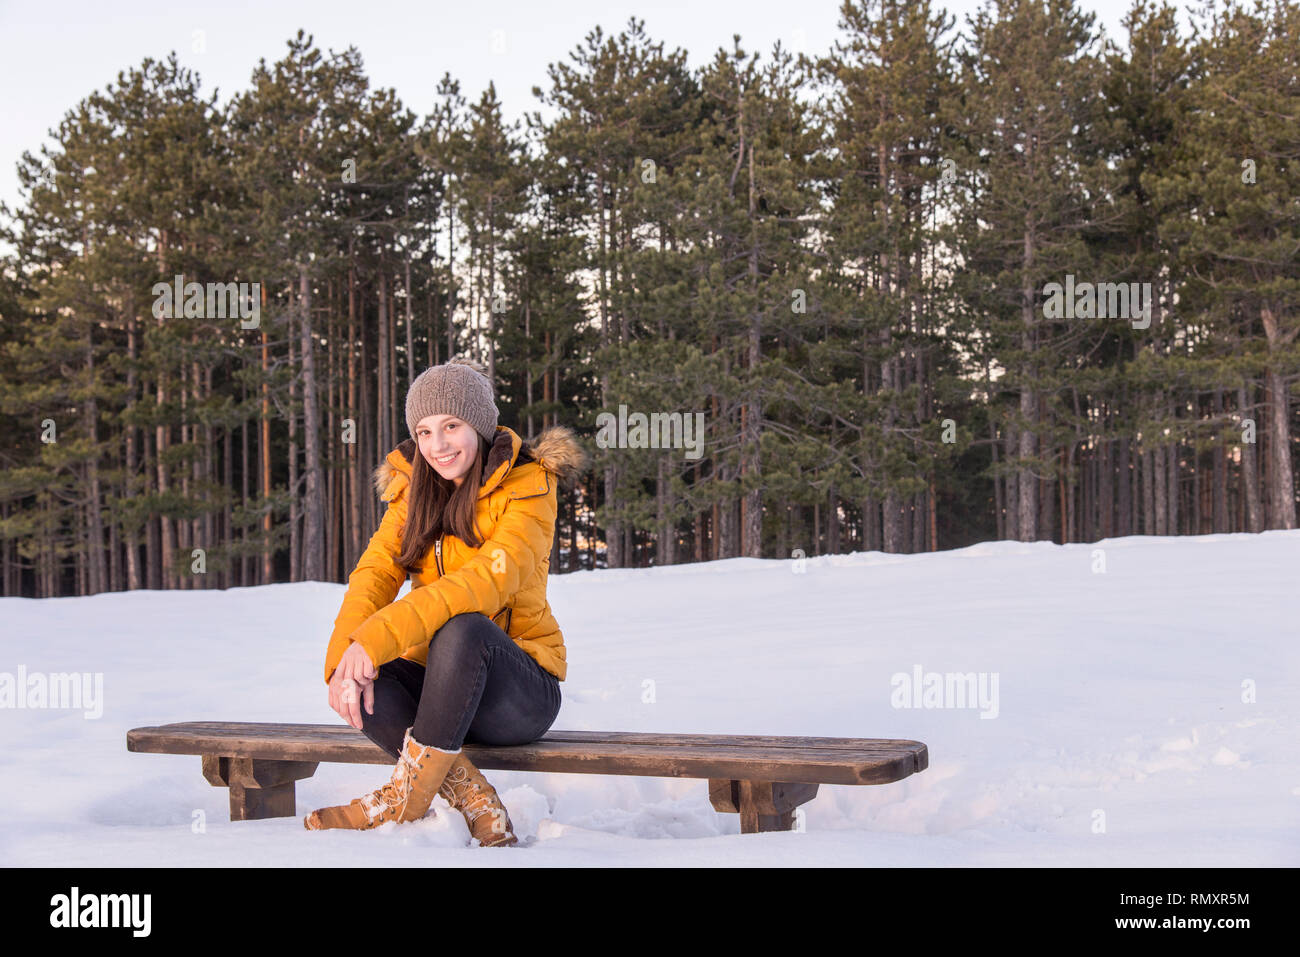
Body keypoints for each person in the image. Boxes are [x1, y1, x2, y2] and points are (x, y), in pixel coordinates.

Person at [304, 356, 587, 845]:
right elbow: (374, 575)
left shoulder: (529, 487)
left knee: (463, 627)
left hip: (516, 691)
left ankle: (403, 801)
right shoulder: (412, 492)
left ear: (479, 424)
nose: (437, 445)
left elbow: (483, 584)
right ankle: (476, 800)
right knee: (366, 671)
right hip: (440, 689)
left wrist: (374, 639)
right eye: (425, 431)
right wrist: (344, 660)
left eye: (451, 425)